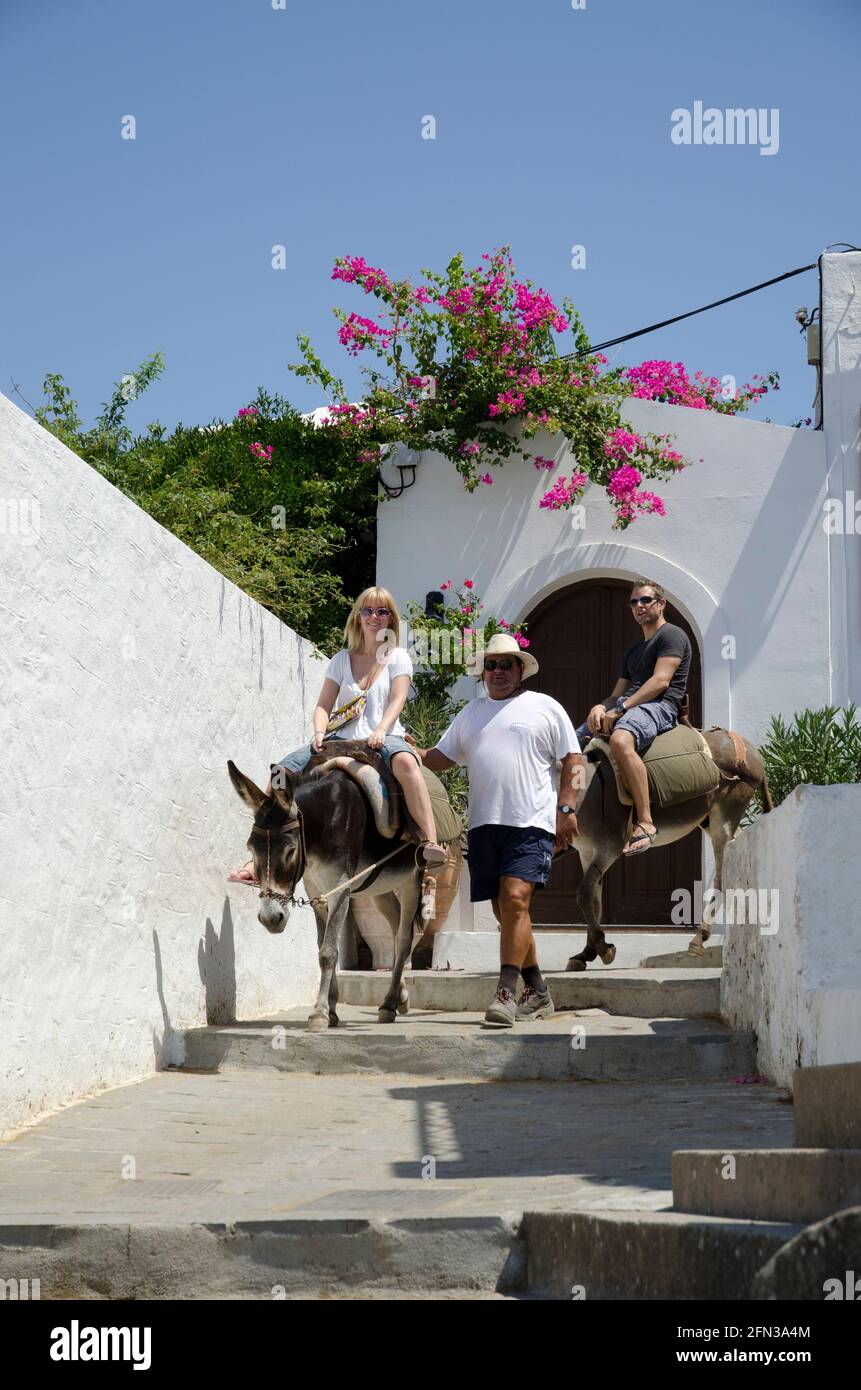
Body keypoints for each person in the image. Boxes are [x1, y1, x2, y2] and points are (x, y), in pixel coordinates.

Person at [417, 633, 583, 1027]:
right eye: (491, 665)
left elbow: (573, 758)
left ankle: (505, 995)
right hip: (484, 825)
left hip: (531, 823)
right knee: (505, 909)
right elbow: (442, 757)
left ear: (520, 669)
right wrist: (412, 753)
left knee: (515, 898)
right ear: (483, 671)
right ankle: (538, 990)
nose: (498, 672)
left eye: (506, 664)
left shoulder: (544, 707)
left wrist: (566, 808)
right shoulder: (472, 713)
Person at [228, 586, 446, 883]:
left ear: (390, 619)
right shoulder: (342, 660)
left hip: (382, 738)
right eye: (368, 610)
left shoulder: (397, 657)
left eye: (382, 611)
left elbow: (398, 699)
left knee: (407, 764)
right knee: (279, 773)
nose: (374, 617)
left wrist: (382, 730)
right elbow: (323, 705)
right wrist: (319, 732)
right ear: (358, 616)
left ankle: (429, 844)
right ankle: (263, 851)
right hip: (337, 740)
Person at [575, 578, 692, 857]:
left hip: (661, 706)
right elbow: (616, 694)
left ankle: (646, 822)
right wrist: (600, 708)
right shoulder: (632, 652)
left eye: (645, 600)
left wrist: (621, 709)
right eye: (634, 602)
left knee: (620, 740)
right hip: (632, 706)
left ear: (660, 603)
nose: (638, 606)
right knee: (570, 743)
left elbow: (660, 682)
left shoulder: (672, 635)